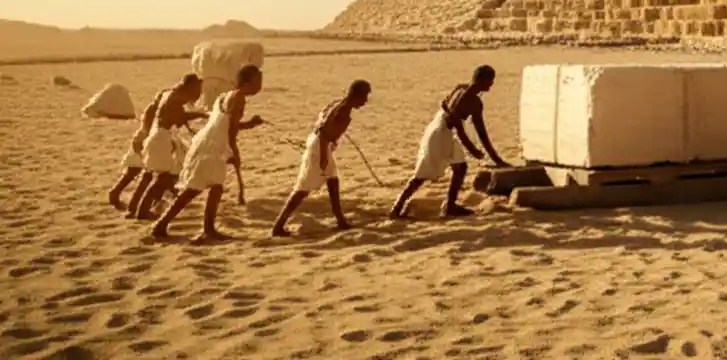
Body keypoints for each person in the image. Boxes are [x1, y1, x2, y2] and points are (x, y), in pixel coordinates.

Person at [151, 64, 265, 242]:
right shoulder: (239, 99)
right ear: (248, 82)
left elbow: (225, 124)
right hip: (214, 146)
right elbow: (231, 131)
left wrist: (249, 124)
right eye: (258, 81)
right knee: (199, 188)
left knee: (209, 187)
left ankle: (168, 225)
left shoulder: (225, 95)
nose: (260, 86)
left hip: (207, 141)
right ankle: (201, 229)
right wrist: (234, 152)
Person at [389, 65, 510, 219]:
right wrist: (481, 153)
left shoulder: (460, 88)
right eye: (490, 82)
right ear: (482, 80)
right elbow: (474, 130)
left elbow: (449, 111)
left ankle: (450, 206)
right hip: (442, 133)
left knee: (460, 168)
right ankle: (397, 207)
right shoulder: (473, 101)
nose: (491, 85)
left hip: (439, 127)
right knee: (423, 174)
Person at [270, 80, 372, 237]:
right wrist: (324, 156)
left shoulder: (340, 105)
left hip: (321, 145)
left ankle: (340, 220)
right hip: (320, 147)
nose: (365, 101)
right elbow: (325, 133)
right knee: (303, 188)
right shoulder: (343, 109)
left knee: (333, 180)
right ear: (357, 95)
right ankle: (278, 226)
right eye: (364, 97)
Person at [123, 74, 208, 219]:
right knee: (161, 179)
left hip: (159, 138)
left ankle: (136, 208)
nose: (198, 93)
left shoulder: (172, 97)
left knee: (154, 176)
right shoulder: (174, 99)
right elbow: (179, 118)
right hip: (160, 139)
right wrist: (203, 115)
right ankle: (142, 211)